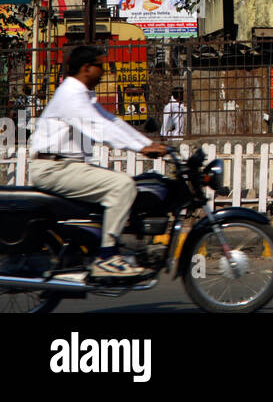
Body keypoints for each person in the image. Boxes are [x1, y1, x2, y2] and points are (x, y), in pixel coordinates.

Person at [27, 47, 168, 279]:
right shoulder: (71, 96)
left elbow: (112, 121)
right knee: (122, 186)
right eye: (101, 67)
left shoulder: (82, 95)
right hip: (54, 168)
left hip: (67, 166)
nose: (104, 73)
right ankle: (107, 257)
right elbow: (98, 128)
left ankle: (102, 246)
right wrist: (141, 148)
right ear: (87, 69)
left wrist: (147, 143)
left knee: (125, 184)